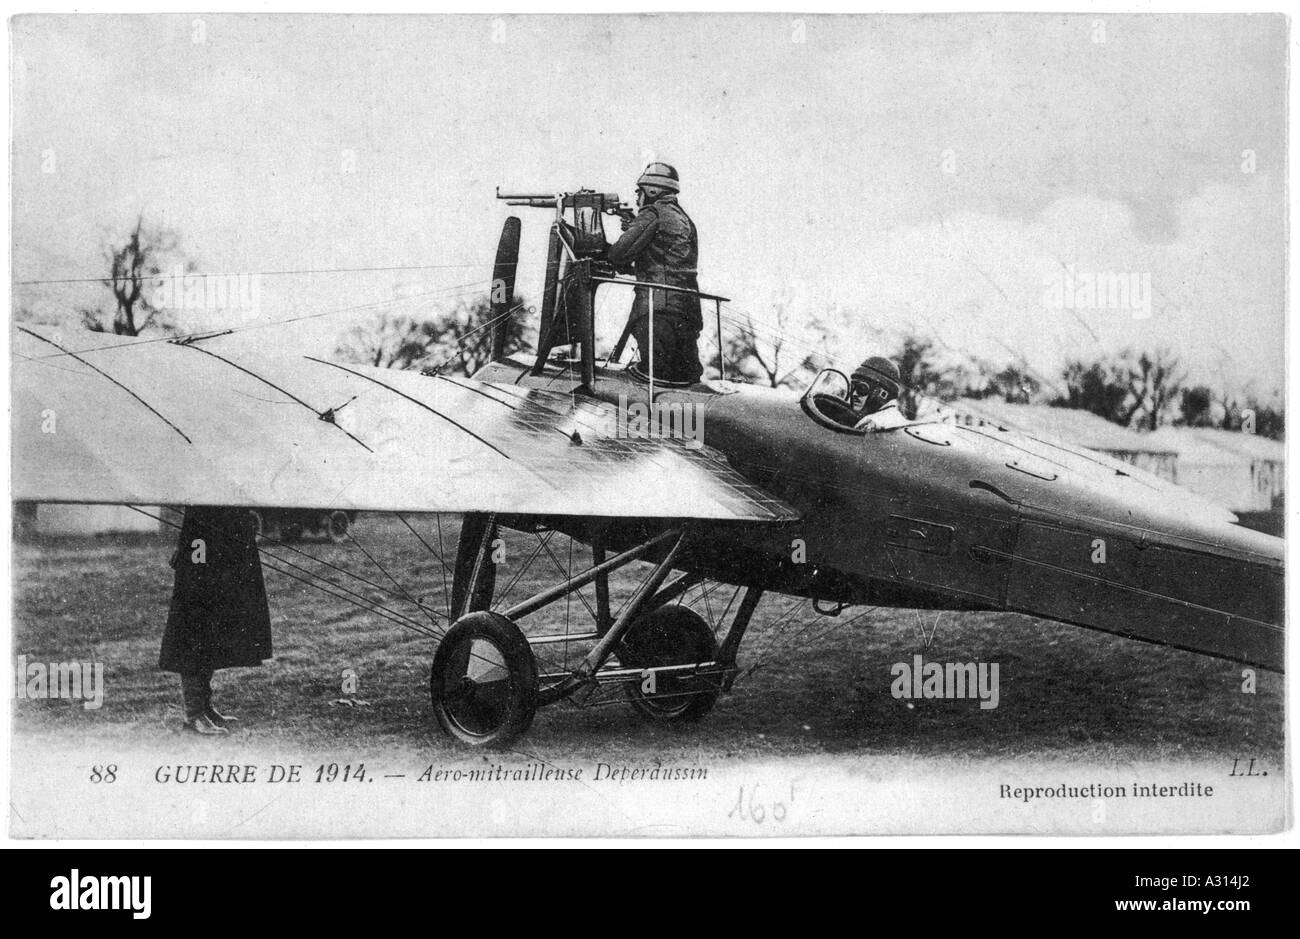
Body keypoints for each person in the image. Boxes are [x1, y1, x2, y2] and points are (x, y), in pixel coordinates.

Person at [160, 506, 272, 735]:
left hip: (226, 541)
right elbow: (197, 514)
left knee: (214, 626)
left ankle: (205, 707)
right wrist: (189, 550)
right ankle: (193, 714)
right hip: (203, 540)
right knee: (196, 624)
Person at [606, 162, 704, 384]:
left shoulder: (652, 213)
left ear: (652, 191)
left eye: (639, 191)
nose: (637, 197)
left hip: (657, 310)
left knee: (652, 379)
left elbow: (618, 255)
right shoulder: (684, 218)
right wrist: (636, 228)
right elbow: (666, 260)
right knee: (684, 380)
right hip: (686, 310)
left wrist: (632, 230)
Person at [850, 357, 909, 431]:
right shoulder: (890, 417)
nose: (854, 394)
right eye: (853, 387)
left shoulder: (872, 423)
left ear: (882, 395)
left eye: (862, 388)